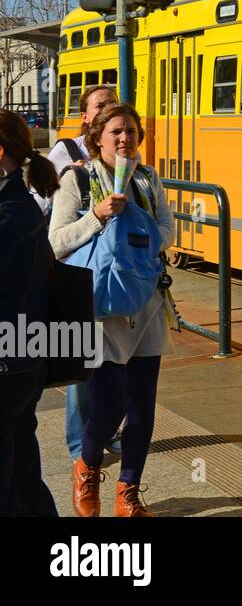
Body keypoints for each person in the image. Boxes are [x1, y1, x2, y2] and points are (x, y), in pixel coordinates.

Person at [48, 103, 175, 518]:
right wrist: (97, 218)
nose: (125, 139)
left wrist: (140, 239)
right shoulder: (78, 180)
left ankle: (128, 492)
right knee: (111, 405)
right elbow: (56, 242)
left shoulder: (148, 178)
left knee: (142, 405)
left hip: (146, 302)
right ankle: (87, 465)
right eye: (116, 131)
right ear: (98, 136)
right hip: (99, 309)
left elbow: (167, 230)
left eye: (132, 132)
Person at [40, 83, 121, 464]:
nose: (110, 108)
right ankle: (80, 446)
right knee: (81, 362)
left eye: (114, 103)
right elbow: (37, 198)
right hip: (73, 271)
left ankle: (102, 433)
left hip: (110, 275)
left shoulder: (119, 154)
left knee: (113, 363)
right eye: (102, 105)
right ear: (86, 115)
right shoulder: (66, 153)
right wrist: (65, 184)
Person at [0, 110, 60, 517]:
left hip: (8, 362)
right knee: (23, 465)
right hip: (24, 358)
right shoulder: (22, 208)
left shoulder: (9, 215)